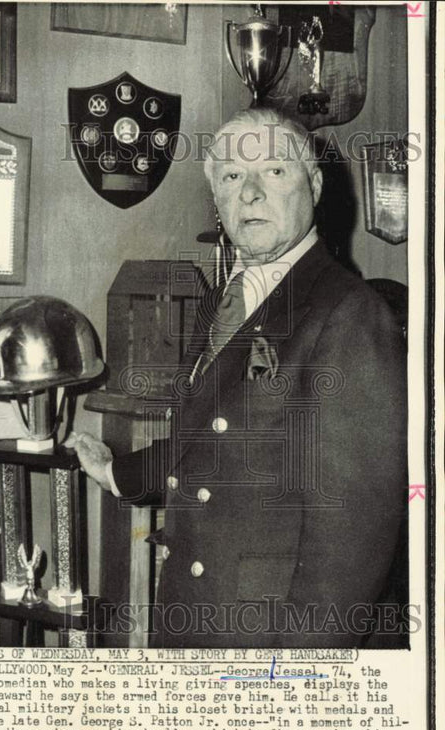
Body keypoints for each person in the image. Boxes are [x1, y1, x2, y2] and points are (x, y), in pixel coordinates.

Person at [69, 108, 407, 648]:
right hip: (198, 620)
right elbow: (217, 441)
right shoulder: (230, 299)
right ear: (218, 201)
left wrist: (294, 686)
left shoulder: (347, 313)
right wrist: (118, 474)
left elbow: (351, 541)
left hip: (267, 644)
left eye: (273, 171)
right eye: (231, 177)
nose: (249, 193)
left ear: (314, 186)